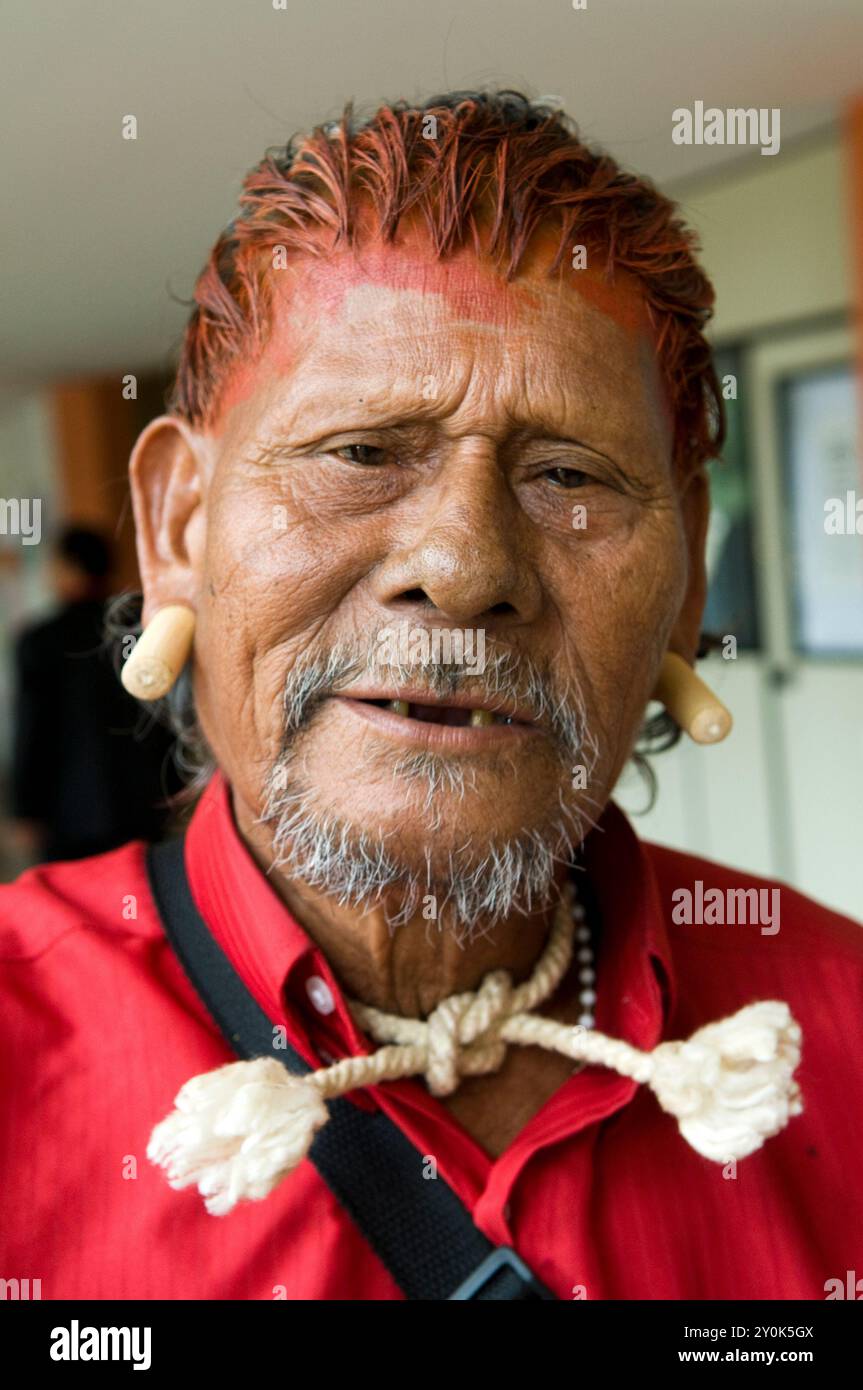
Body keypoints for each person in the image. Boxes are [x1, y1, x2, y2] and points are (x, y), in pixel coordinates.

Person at [0, 91, 860, 1301]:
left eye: (569, 474)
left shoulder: (839, 1030)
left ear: (682, 576)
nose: (460, 568)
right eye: (360, 453)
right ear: (176, 523)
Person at [9, 524, 178, 861]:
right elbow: (164, 708)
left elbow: (32, 729)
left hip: (69, 812)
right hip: (143, 802)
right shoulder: (138, 626)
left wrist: (25, 809)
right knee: (140, 897)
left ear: (69, 568)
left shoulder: (43, 639)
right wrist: (174, 782)